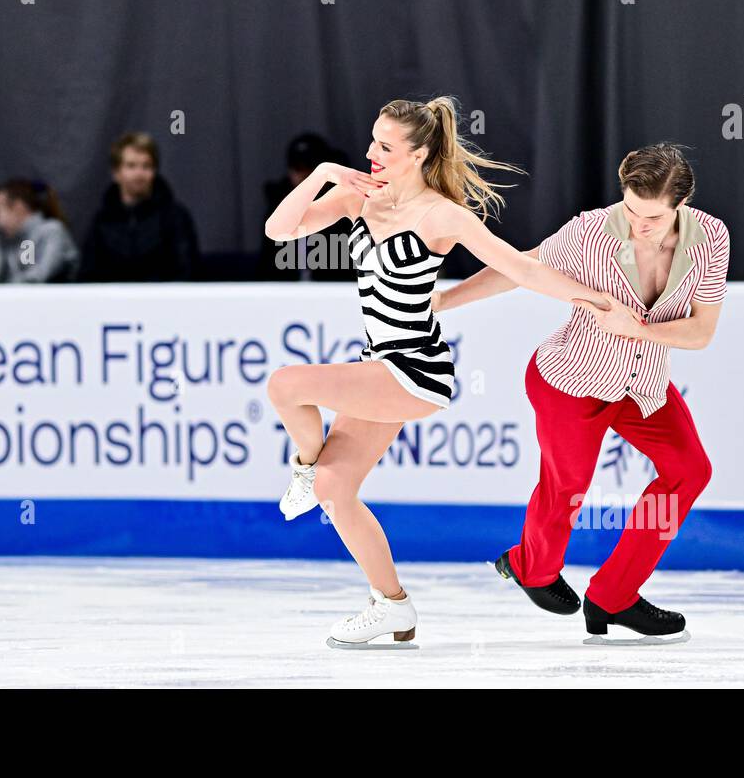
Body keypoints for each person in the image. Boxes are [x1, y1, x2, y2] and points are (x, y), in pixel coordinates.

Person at [263, 96, 638, 649]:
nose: (371, 154)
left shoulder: (442, 215)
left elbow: (523, 268)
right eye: (372, 141)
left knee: (285, 384)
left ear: (418, 154)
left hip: (415, 370)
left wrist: (596, 300)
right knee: (336, 490)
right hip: (378, 364)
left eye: (386, 148)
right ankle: (392, 606)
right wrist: (322, 174)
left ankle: (301, 464)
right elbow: (278, 230)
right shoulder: (357, 198)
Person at [434, 143, 730, 642]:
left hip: (642, 384)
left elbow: (701, 333)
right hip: (572, 380)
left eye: (653, 217)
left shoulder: (711, 238)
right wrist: (444, 299)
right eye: (632, 209)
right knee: (567, 486)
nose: (639, 223)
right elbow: (519, 267)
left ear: (681, 204)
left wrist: (637, 330)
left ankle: (613, 596)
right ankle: (531, 568)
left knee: (690, 470)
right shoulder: (591, 230)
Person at [76, 132, 198, 282]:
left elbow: (187, 273)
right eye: (131, 166)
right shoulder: (102, 221)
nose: (139, 174)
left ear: (154, 171)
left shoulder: (175, 217)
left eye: (146, 166)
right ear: (116, 173)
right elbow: (87, 277)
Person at [258, 133, 354, 281]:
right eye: (297, 167)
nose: (303, 174)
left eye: (310, 167)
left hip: (336, 291)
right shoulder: (278, 205)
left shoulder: (347, 202)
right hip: (286, 293)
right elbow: (268, 263)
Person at [0, 178, 80, 283]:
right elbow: (24, 274)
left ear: (18, 208)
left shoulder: (52, 231)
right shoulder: (20, 240)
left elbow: (39, 276)